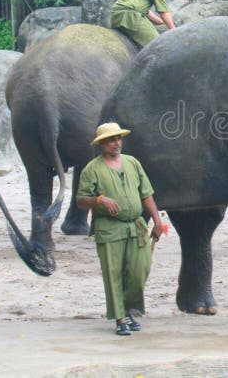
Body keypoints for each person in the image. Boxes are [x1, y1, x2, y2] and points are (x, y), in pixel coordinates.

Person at [76, 122, 165, 336]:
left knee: (139, 269)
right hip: (109, 229)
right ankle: (120, 318)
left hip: (136, 226)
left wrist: (157, 221)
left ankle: (128, 309)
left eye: (119, 139)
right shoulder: (92, 169)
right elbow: (80, 200)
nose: (117, 143)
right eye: (111, 140)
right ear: (101, 144)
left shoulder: (132, 163)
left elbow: (146, 194)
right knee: (113, 273)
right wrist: (99, 200)